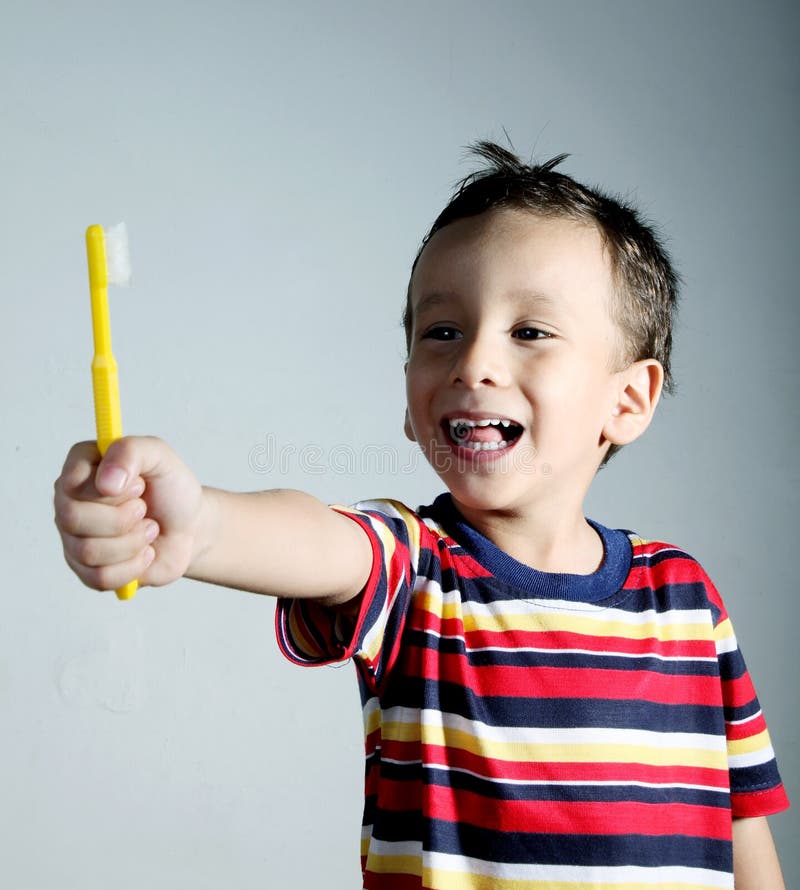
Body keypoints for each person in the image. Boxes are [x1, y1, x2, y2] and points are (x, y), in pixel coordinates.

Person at [54, 143, 789, 889]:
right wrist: (203, 524)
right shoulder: (415, 568)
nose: (473, 363)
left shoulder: (686, 600)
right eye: (442, 332)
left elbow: (742, 824)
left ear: (627, 400)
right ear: (409, 399)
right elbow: (324, 543)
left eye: (530, 332)